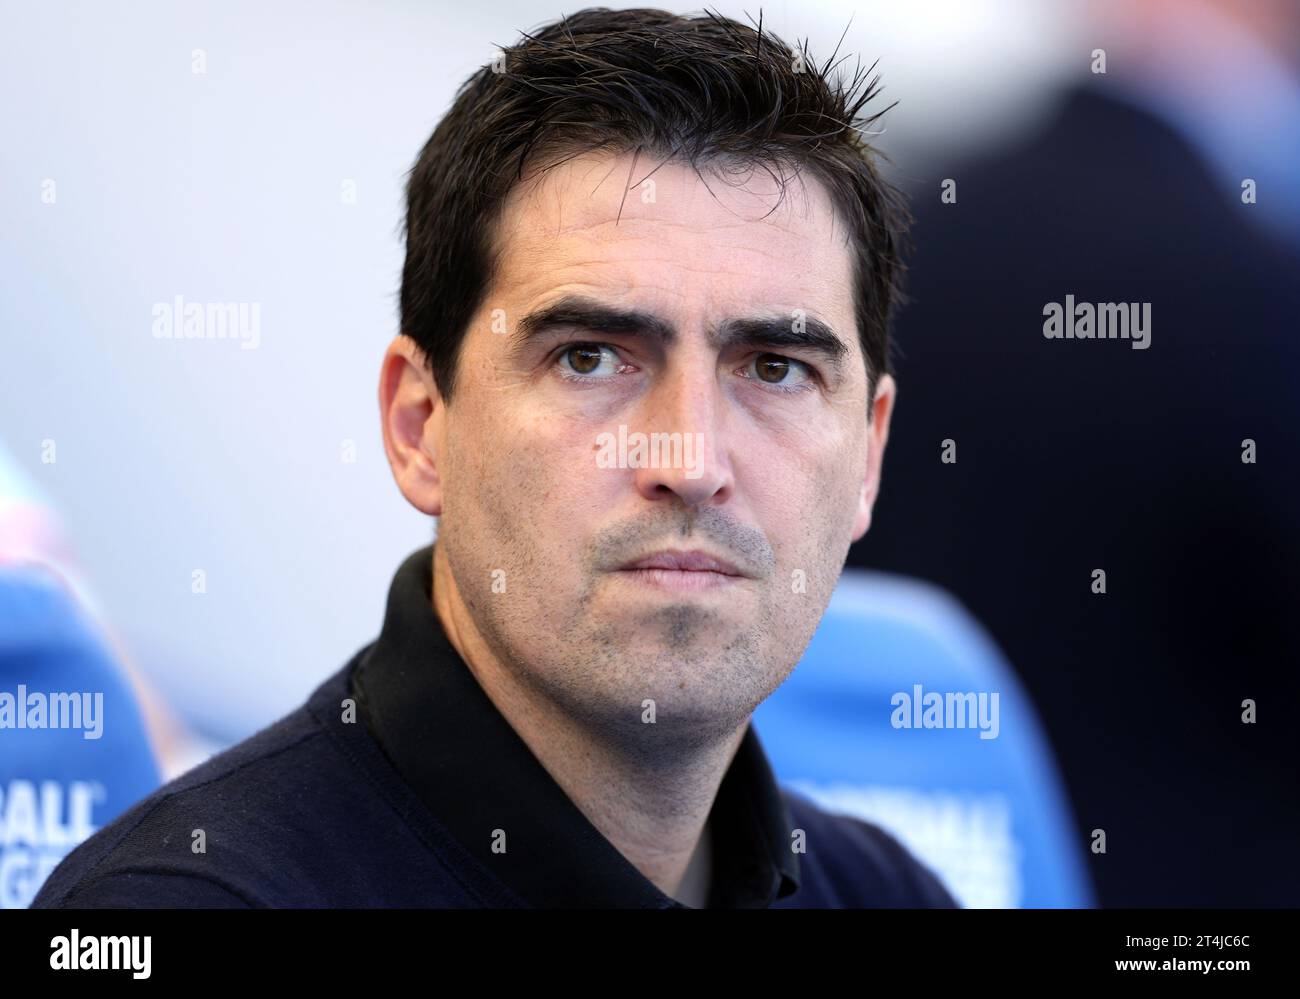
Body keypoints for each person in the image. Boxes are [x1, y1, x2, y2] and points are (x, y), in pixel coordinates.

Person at [32, 7, 957, 909]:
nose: (691, 456)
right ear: (419, 424)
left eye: (774, 368)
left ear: (868, 455)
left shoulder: (889, 893)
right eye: (589, 356)